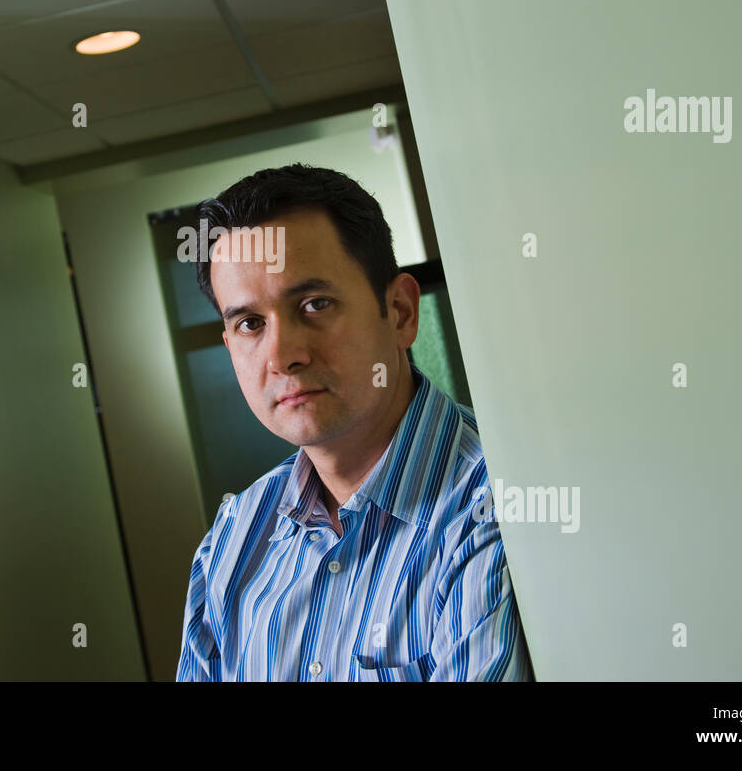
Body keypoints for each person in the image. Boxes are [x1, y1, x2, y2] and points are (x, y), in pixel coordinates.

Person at [175, 163, 533, 681]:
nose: (282, 355)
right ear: (231, 346)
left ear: (402, 313)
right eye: (250, 323)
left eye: (314, 304)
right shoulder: (229, 546)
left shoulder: (498, 505)